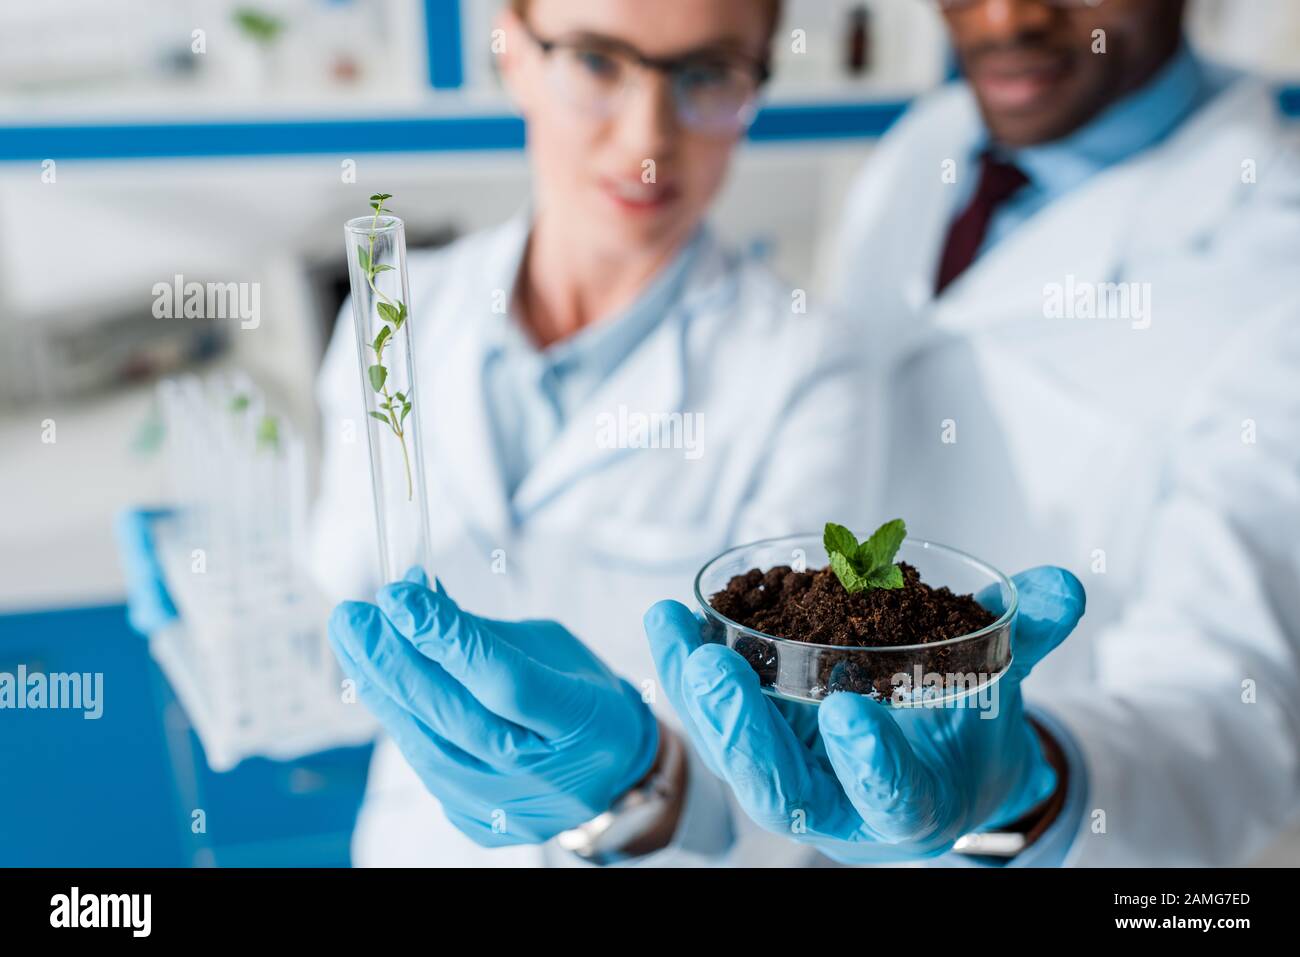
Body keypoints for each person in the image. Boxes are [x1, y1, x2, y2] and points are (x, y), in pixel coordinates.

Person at [123, 0, 876, 866]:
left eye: (708, 76)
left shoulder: (812, 369)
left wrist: (644, 780)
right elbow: (353, 649)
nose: (649, 135)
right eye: (598, 62)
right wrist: (232, 626)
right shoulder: (397, 322)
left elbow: (794, 775)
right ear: (511, 50)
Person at [647, 0, 1300, 866]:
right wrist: (645, 784)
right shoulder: (929, 144)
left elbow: (1237, 715)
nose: (1001, 19)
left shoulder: (1274, 256)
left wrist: (1033, 786)